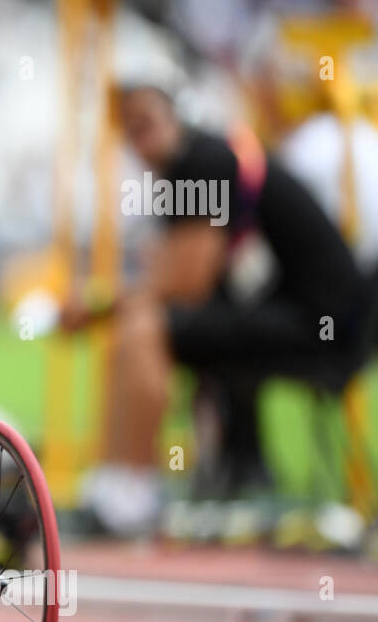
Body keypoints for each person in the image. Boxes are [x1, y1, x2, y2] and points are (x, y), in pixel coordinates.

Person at [62, 83, 367, 535]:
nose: (139, 140)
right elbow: (176, 276)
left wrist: (100, 305)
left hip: (321, 324)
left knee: (147, 327)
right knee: (141, 321)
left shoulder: (203, 163)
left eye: (146, 123)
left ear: (176, 117)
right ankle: (118, 480)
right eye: (130, 131)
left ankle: (131, 492)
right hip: (293, 312)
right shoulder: (193, 168)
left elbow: (186, 284)